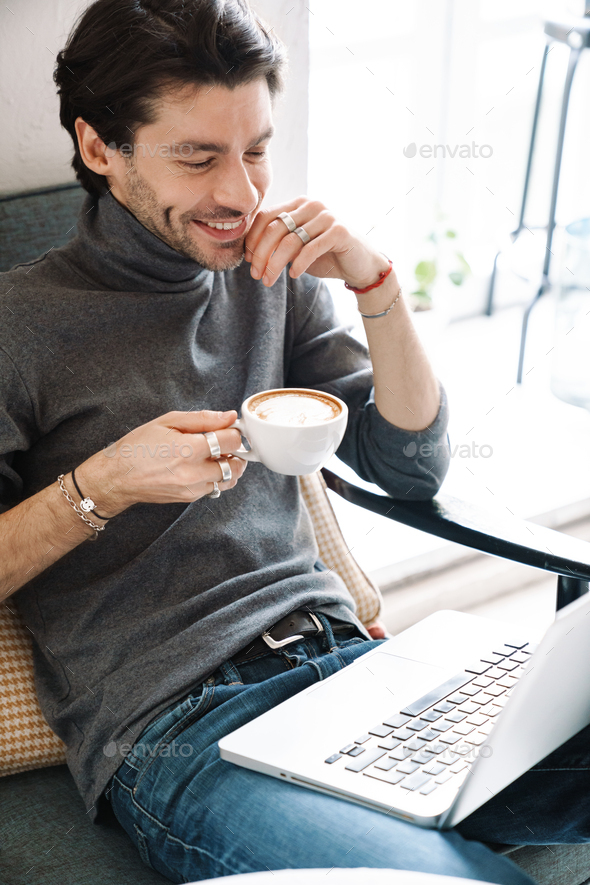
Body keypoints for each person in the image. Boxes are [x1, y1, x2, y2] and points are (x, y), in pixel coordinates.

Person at [1, 2, 587, 883]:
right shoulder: (22, 324)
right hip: (181, 732)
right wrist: (101, 485)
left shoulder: (268, 276)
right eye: (198, 157)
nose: (241, 193)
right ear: (98, 149)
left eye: (257, 149)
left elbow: (412, 466)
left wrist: (374, 281)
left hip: (357, 670)